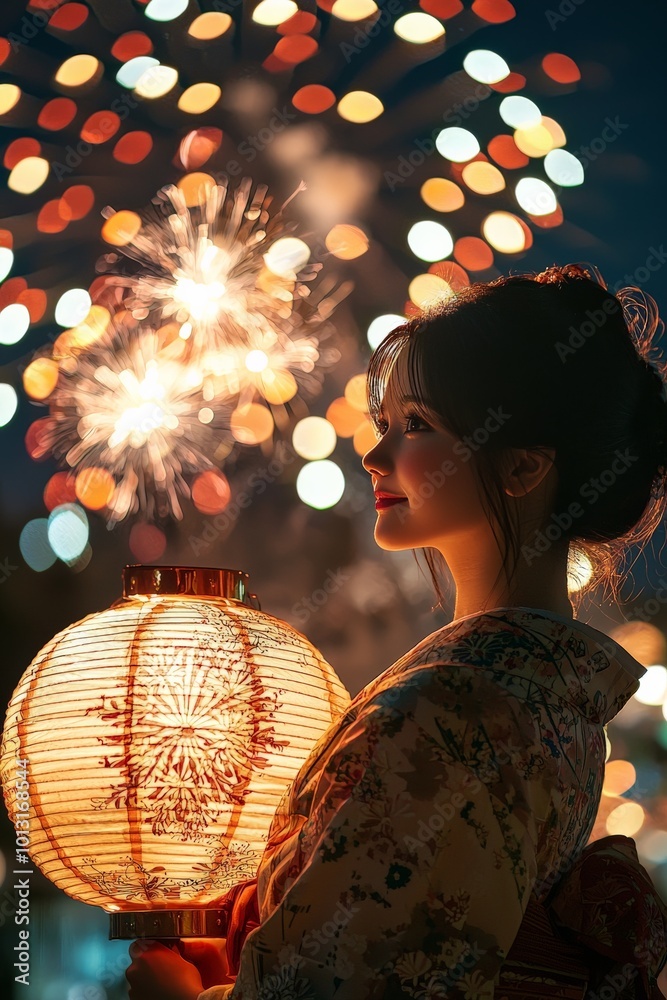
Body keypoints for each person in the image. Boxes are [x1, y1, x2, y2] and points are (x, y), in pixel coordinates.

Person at [125, 263, 667, 1000]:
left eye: (417, 426)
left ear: (522, 466)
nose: (374, 456)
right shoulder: (554, 695)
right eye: (385, 426)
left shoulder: (445, 711)